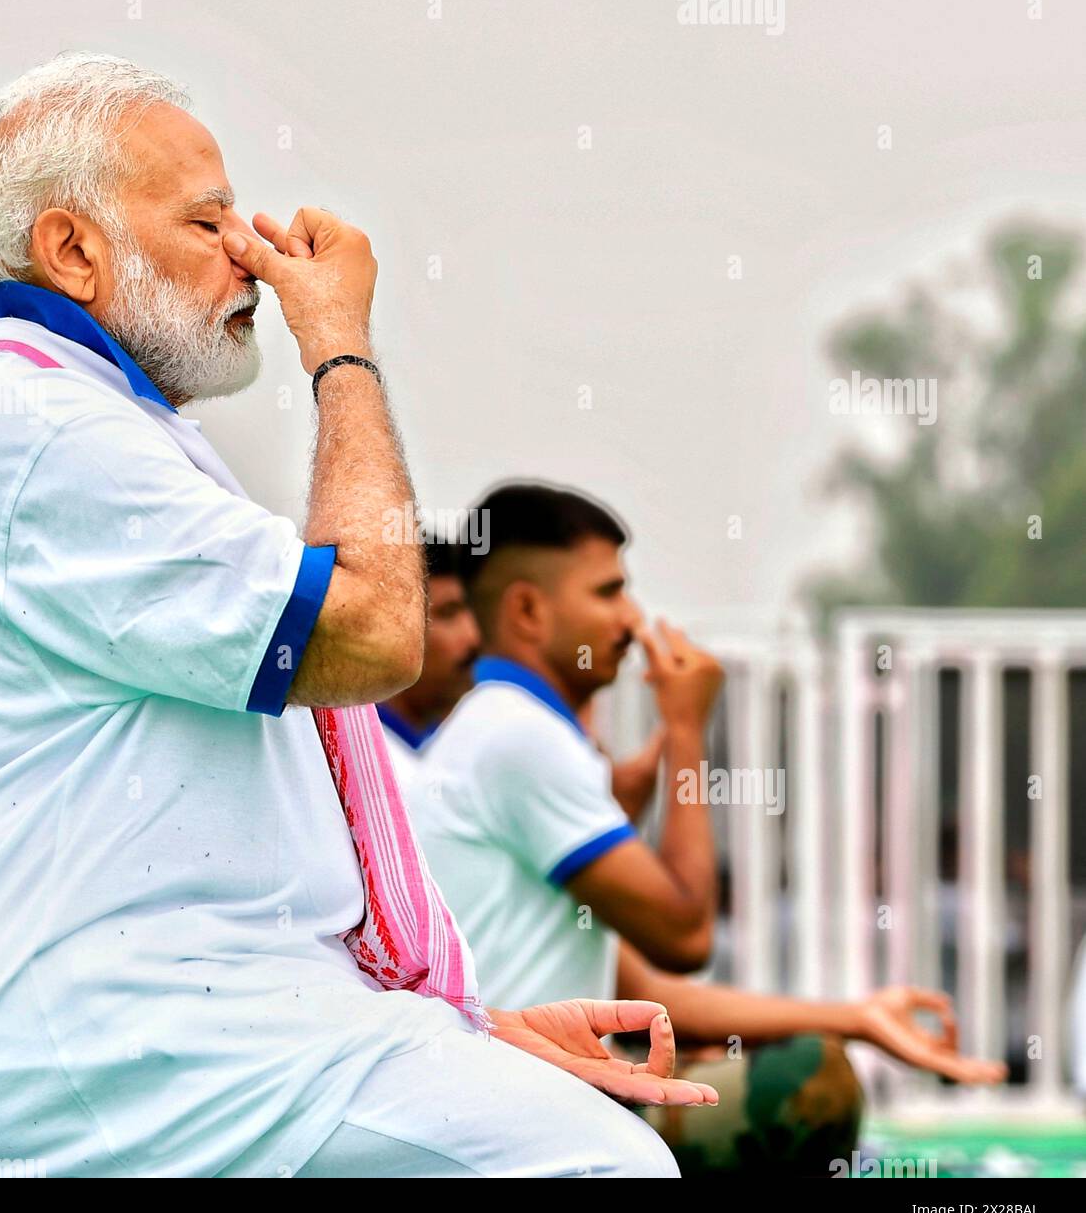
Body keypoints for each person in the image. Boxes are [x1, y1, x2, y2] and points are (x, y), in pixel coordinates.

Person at [0, 54, 717, 1180]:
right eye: (209, 218)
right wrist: (342, 348)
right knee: (607, 1170)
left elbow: (238, 862)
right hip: (112, 1054)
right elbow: (370, 633)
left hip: (179, 1045)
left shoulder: (93, 430)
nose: (252, 254)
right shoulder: (35, 429)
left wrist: (458, 1035)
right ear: (73, 251)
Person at [412, 481, 1006, 1174]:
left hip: (513, 1101)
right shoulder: (516, 734)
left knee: (803, 1054)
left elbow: (660, 994)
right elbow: (688, 934)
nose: (633, 620)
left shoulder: (505, 727)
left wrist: (857, 1016)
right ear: (527, 610)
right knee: (807, 1083)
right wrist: (688, 729)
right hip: (507, 1122)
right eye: (608, 592)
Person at [376, 539, 481, 801]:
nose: (473, 637)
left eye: (472, 613)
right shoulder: (345, 764)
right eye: (448, 614)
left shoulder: (461, 750)